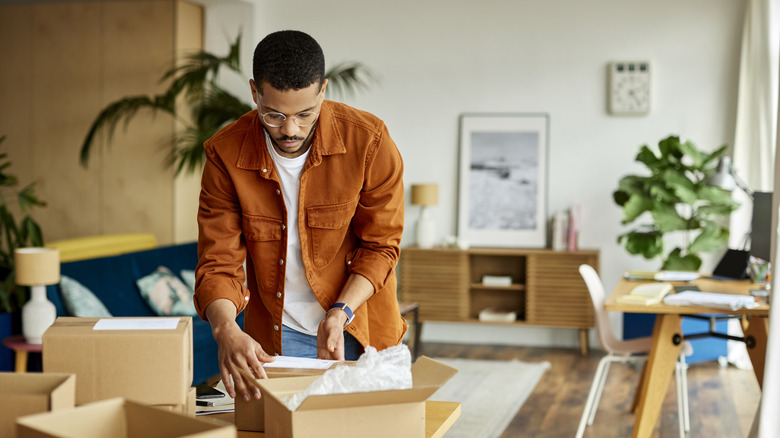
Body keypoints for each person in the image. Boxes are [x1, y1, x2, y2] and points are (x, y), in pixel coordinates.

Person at [193, 30, 407, 402]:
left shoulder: (369, 142)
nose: (290, 130)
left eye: (305, 114)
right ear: (255, 92)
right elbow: (218, 263)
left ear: (323, 91)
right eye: (274, 115)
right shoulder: (225, 154)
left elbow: (381, 247)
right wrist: (225, 329)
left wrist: (340, 312)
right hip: (276, 337)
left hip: (359, 324)